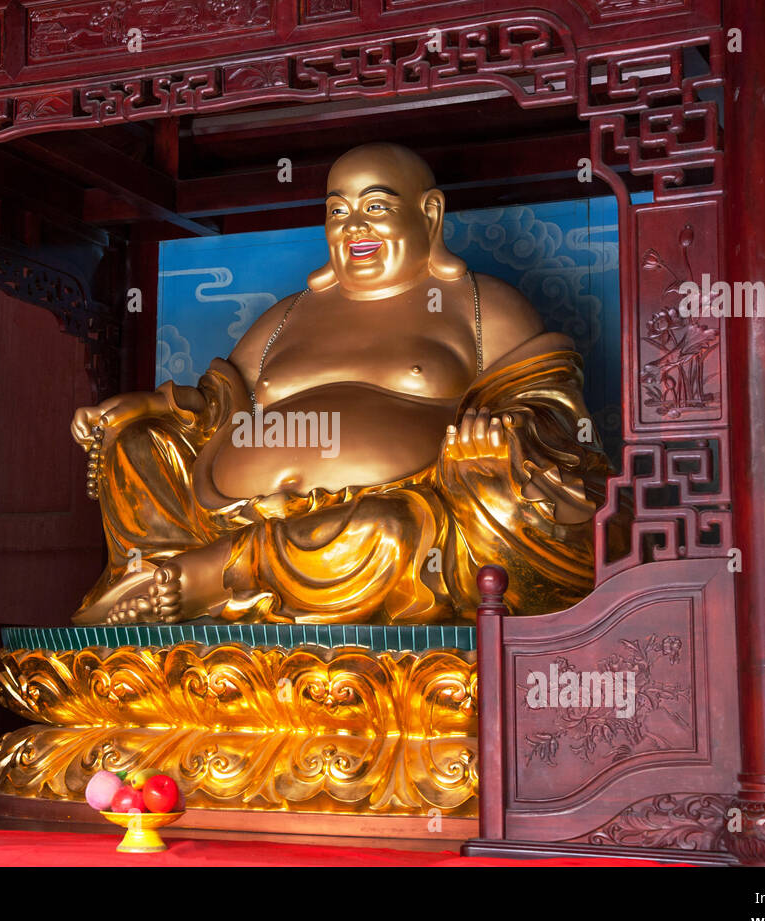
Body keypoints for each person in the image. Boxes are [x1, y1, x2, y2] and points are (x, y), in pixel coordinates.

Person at [71, 142, 619, 625]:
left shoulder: (481, 307)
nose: (354, 227)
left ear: (430, 214)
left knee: (391, 532)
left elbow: (552, 411)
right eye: (338, 211)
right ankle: (170, 591)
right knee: (138, 441)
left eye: (376, 207)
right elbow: (219, 407)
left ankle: (204, 580)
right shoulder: (287, 315)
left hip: (394, 518)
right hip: (228, 511)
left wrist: (504, 438)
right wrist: (145, 405)